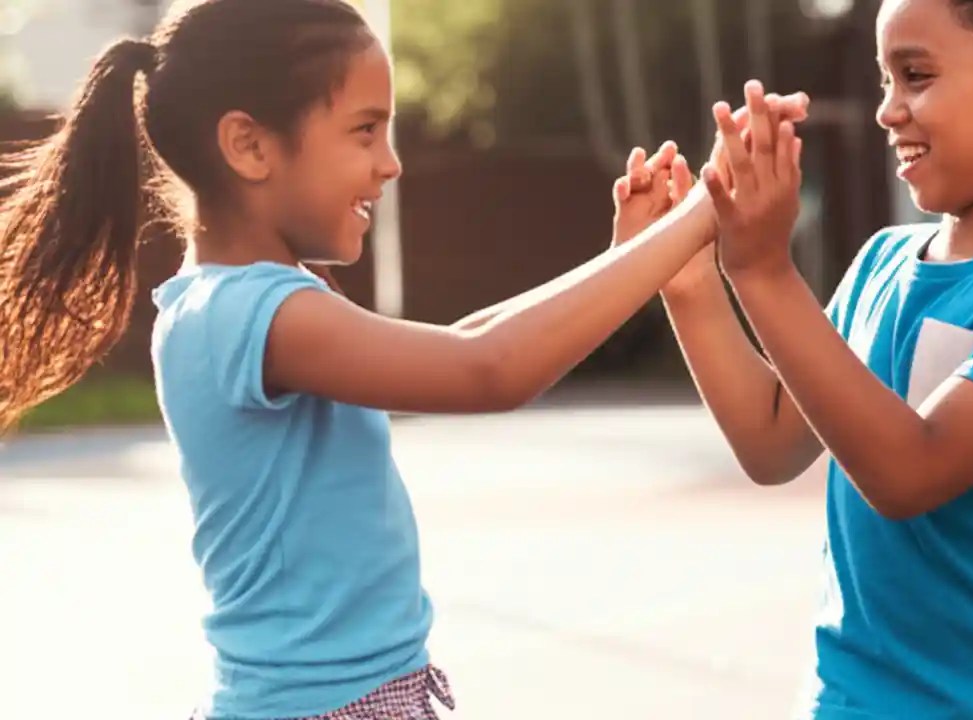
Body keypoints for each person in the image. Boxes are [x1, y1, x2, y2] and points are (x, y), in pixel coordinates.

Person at [0, 0, 808, 717]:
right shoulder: (249, 314)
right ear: (249, 145)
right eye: (364, 130)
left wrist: (625, 260)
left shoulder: (255, 297)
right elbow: (484, 368)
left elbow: (465, 340)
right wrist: (703, 214)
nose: (390, 162)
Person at [643, 1, 973, 716]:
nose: (886, 111)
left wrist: (762, 271)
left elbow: (909, 471)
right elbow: (771, 440)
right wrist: (691, 281)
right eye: (885, 81)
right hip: (854, 700)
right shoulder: (881, 261)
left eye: (916, 76)